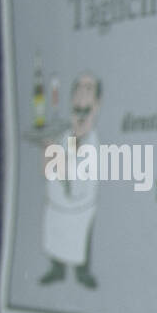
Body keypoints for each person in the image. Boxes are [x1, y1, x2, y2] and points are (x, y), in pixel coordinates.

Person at [39, 71, 100, 289]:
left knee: (80, 236)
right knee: (55, 229)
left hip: (79, 205)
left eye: (88, 90)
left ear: (96, 106)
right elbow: (51, 171)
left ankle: (82, 272)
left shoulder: (92, 144)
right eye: (79, 90)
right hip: (58, 205)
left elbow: (75, 181)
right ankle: (57, 269)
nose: (83, 95)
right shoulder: (67, 137)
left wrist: (58, 160)